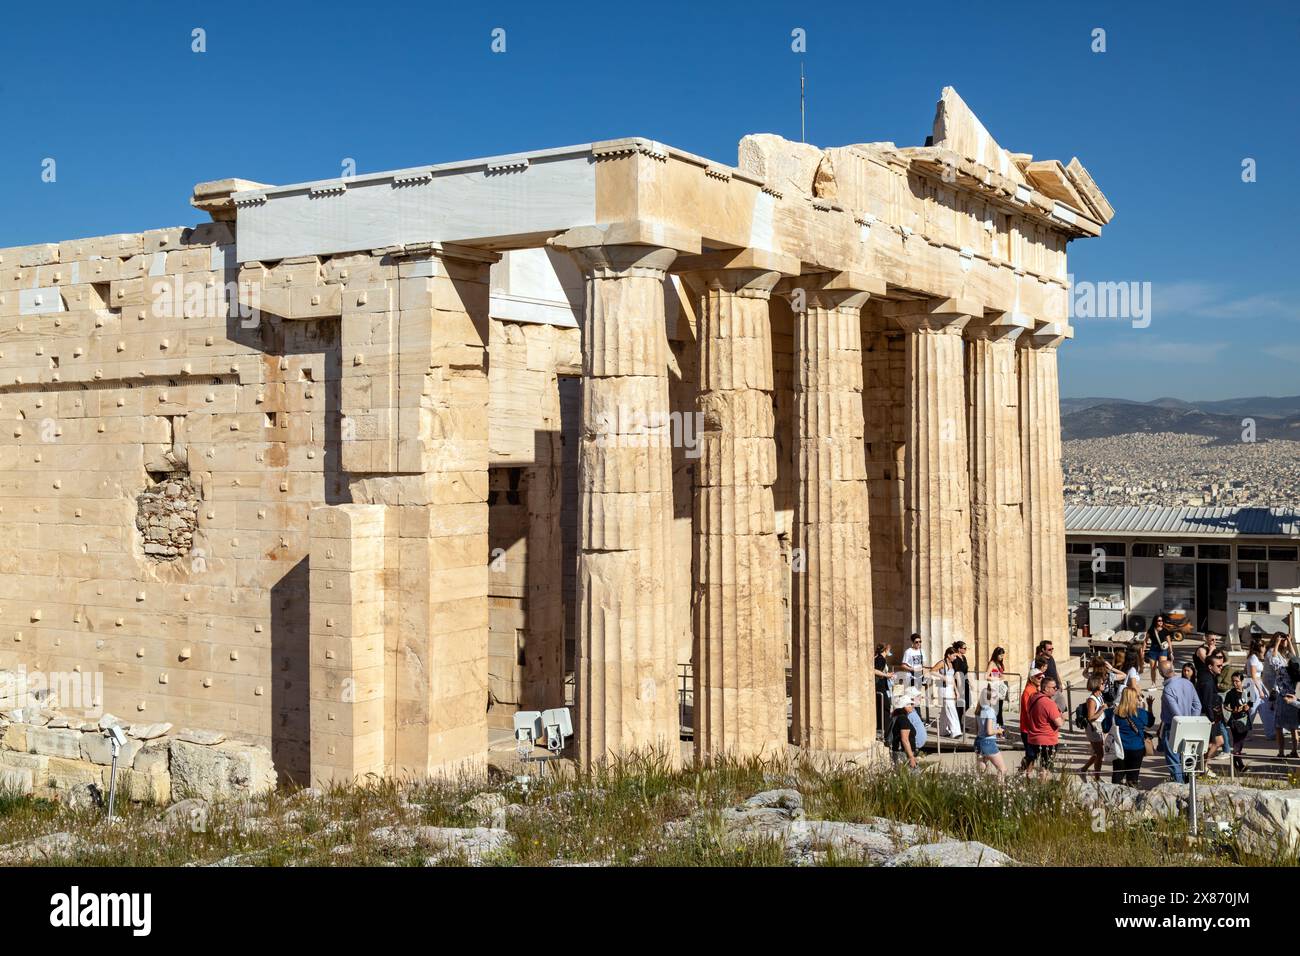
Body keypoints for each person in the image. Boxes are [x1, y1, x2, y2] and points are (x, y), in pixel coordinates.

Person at [1159, 659, 1201, 783]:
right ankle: (1189, 786)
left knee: (1174, 761)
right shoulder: (1187, 683)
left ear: (1161, 673)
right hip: (1188, 725)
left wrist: (1185, 723)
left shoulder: (1168, 689)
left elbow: (1176, 713)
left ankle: (1180, 787)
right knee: (1187, 758)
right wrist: (1191, 721)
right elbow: (1197, 706)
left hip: (1173, 727)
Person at [1102, 685, 1153, 785]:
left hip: (1119, 748)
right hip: (1136, 749)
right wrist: (1150, 706)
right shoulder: (1141, 714)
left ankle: (1116, 798)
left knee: (1117, 776)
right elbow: (1150, 723)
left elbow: (1105, 728)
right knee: (1133, 778)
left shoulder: (1113, 714)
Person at [1021, 676, 1063, 777]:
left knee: (1030, 762)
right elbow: (1059, 723)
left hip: (1032, 738)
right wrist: (1063, 717)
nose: (1056, 689)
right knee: (1045, 768)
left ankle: (1028, 783)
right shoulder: (1049, 703)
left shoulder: (1033, 697)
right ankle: (1042, 788)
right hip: (1047, 740)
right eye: (1054, 687)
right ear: (1046, 688)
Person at [1195, 649, 1228, 775]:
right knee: (1219, 742)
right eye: (1218, 666)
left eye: (1222, 665)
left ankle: (1203, 766)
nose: (1221, 668)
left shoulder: (1208, 676)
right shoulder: (1208, 681)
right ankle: (1204, 766)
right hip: (1210, 717)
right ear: (1210, 666)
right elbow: (1207, 702)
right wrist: (1212, 719)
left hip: (1210, 715)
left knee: (1209, 744)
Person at [1224, 671, 1254, 774]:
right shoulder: (1230, 693)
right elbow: (1225, 705)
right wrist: (1232, 710)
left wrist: (1247, 706)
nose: (1235, 683)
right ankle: (1239, 764)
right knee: (1237, 742)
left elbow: (1251, 702)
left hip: (1245, 720)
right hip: (1235, 721)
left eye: (1237, 681)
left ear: (1242, 681)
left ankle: (1236, 761)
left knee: (1241, 742)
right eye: (1233, 681)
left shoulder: (1248, 691)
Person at [889, 688, 926, 770]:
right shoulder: (903, 719)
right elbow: (905, 739)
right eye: (909, 704)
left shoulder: (898, 717)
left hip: (901, 751)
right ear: (903, 707)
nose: (912, 706)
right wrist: (911, 757)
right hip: (903, 753)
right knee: (911, 775)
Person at [974, 681, 1007, 775]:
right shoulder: (990, 711)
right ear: (988, 699)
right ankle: (1000, 789)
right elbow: (989, 731)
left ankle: (978, 788)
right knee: (1002, 769)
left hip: (978, 741)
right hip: (988, 742)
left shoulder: (978, 711)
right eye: (994, 697)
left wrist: (994, 729)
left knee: (981, 771)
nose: (996, 699)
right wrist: (998, 730)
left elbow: (977, 730)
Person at [931, 645, 962, 738]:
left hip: (950, 688)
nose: (955, 658)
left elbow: (952, 678)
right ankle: (955, 731)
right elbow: (932, 671)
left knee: (945, 710)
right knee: (950, 708)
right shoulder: (942, 663)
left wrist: (956, 690)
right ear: (948, 655)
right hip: (943, 688)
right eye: (954, 656)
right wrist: (942, 677)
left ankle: (943, 730)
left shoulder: (951, 664)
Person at [1080, 674, 1107, 780]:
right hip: (1094, 728)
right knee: (1100, 754)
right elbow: (1090, 717)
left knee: (1098, 753)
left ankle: (1084, 769)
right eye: (1102, 683)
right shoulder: (1091, 700)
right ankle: (1097, 777)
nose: (1104, 684)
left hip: (1100, 727)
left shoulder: (1099, 696)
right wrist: (1102, 709)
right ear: (1096, 685)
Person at [1018, 661, 1046, 757]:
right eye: (1038, 678)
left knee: (1034, 754)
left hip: (1033, 728)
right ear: (1031, 679)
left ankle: (1023, 770)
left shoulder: (1035, 689)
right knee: (1031, 755)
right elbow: (1027, 710)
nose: (1041, 679)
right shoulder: (1028, 691)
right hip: (1027, 728)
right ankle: (1023, 771)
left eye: (1042, 677)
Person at [1275, 657, 1300, 759]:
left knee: (1278, 727)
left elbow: (1277, 682)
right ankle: (1294, 751)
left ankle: (1281, 752)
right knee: (1294, 728)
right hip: (1294, 701)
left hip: (1282, 700)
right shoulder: (1298, 674)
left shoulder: (1282, 670)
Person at [1247, 637, 1270, 738]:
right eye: (1264, 646)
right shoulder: (1253, 658)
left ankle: (1270, 732)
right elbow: (1253, 675)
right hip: (1253, 685)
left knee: (1264, 708)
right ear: (1260, 647)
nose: (1265, 648)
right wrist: (1260, 690)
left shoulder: (1256, 658)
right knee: (1252, 710)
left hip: (1257, 683)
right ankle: (1245, 733)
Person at [1146, 613, 1171, 685]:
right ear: (1155, 621)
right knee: (1153, 668)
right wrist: (1143, 649)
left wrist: (1171, 652)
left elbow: (1169, 642)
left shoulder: (1165, 630)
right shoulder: (1151, 630)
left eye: (1162, 620)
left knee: (1163, 667)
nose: (1161, 622)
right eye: (1159, 620)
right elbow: (1145, 640)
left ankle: (1166, 683)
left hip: (1162, 650)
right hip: (1153, 650)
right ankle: (1153, 684)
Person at [873, 643, 893, 732]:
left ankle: (881, 727)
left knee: (881, 706)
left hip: (880, 685)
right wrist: (886, 675)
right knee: (885, 706)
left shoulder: (878, 658)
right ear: (886, 649)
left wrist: (886, 675)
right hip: (880, 685)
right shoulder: (881, 659)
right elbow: (875, 670)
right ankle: (884, 728)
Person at [986, 645, 1008, 725]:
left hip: (1000, 687)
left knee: (1000, 708)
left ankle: (999, 726)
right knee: (995, 708)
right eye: (1000, 655)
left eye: (1003, 655)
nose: (1002, 657)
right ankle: (995, 726)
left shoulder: (999, 663)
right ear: (996, 654)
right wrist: (997, 679)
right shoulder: (992, 663)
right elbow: (986, 676)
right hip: (994, 687)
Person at [952, 641, 971, 730]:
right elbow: (955, 672)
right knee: (960, 704)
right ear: (959, 649)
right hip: (958, 682)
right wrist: (958, 685)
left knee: (968, 703)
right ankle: (958, 724)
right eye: (964, 648)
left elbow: (966, 670)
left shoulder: (964, 657)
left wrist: (970, 682)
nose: (966, 649)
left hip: (965, 681)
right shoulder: (955, 658)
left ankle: (959, 721)